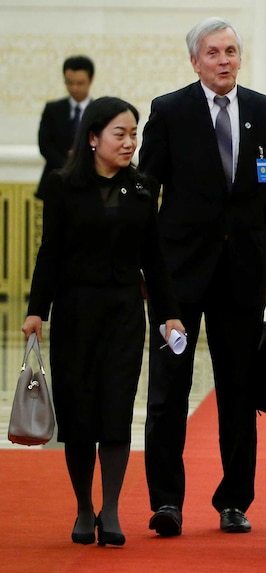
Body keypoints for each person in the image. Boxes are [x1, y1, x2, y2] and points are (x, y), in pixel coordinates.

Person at [139, 16, 266, 536]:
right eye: (213, 53)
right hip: (177, 279)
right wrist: (147, 270)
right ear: (194, 61)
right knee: (169, 390)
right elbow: (145, 193)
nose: (224, 60)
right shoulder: (169, 111)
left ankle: (234, 501)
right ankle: (166, 501)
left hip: (244, 276)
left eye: (230, 51)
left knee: (239, 391)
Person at [22, 96, 184, 547]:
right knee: (79, 413)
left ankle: (110, 509)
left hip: (124, 315)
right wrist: (37, 311)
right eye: (120, 134)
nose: (130, 142)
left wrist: (169, 314)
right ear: (93, 137)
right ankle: (82, 508)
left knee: (116, 409)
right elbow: (49, 252)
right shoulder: (61, 187)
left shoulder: (142, 188)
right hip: (75, 313)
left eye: (134, 134)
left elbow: (155, 258)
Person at [36, 55, 95, 199]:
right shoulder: (53, 110)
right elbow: (45, 145)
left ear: (90, 80)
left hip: (91, 181)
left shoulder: (99, 110)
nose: (74, 88)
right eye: (69, 83)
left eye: (80, 83)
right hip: (57, 179)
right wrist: (68, 165)